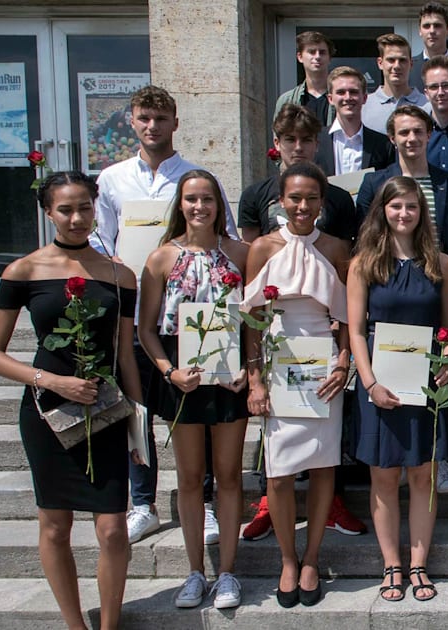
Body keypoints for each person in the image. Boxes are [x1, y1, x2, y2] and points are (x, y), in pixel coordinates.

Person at [0, 171, 142, 630]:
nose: (77, 218)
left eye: (85, 208)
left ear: (97, 208)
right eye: (66, 209)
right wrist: (53, 381)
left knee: (112, 529)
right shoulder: (23, 272)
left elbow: (124, 352)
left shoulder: (119, 274)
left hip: (106, 408)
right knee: (55, 525)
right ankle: (75, 625)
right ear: (48, 212)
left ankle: (109, 624)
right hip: (46, 411)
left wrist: (137, 422)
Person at [90, 85, 237, 545]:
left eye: (160, 118)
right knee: (138, 407)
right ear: (132, 121)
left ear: (175, 122)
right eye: (143, 118)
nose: (151, 126)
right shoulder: (112, 178)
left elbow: (226, 241)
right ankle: (143, 501)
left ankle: (206, 500)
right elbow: (99, 241)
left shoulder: (195, 177)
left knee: (194, 406)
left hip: (192, 314)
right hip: (135, 303)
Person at [242, 162, 353, 608]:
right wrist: (254, 379)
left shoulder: (337, 247)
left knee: (325, 464)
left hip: (322, 364)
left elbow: (347, 313)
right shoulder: (262, 248)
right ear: (280, 202)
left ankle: (311, 559)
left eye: (311, 198)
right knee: (281, 470)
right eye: (295, 198)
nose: (303, 206)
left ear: (322, 203)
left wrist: (344, 359)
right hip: (278, 361)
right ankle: (287, 559)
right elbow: (250, 320)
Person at [137, 170, 250, 609]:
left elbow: (257, 319)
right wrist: (168, 372)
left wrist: (249, 367)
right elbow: (145, 329)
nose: (199, 206)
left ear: (220, 204)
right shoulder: (161, 258)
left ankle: (227, 573)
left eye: (207, 198)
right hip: (183, 381)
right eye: (191, 199)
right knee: (187, 479)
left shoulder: (241, 252)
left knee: (228, 477)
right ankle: (194, 572)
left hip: (229, 380)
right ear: (179, 205)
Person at [346, 176, 448, 603]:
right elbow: (356, 332)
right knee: (383, 476)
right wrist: (370, 382)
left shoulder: (440, 263)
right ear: (382, 210)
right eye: (396, 206)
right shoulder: (363, 263)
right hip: (380, 381)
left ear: (421, 211)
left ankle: (419, 565)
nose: (403, 214)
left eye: (411, 206)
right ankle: (391, 565)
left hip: (426, 382)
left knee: (423, 473)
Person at [357, 105, 448, 266]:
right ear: (392, 138)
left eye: (418, 131)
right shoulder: (374, 183)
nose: (412, 138)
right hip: (389, 275)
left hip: (439, 274)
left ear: (428, 135)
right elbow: (365, 236)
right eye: (404, 132)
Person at [240, 105, 359, 244]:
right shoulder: (254, 195)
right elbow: (249, 253)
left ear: (316, 144)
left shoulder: (340, 198)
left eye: (306, 140)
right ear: (277, 143)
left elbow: (343, 256)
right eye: (290, 139)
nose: (298, 148)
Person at [316, 66, 397, 178]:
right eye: (341, 92)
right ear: (330, 99)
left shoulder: (384, 145)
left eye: (353, 92)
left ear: (364, 98)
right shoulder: (316, 141)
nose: (348, 97)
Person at [362, 34, 429, 135]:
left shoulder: (428, 105)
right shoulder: (364, 106)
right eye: (391, 60)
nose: (397, 66)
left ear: (411, 64)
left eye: (402, 60)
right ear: (380, 63)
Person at [274, 31, 335, 127]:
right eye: (312, 52)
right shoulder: (287, 100)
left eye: (322, 52)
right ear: (300, 57)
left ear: (329, 58)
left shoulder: (341, 97)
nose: (317, 57)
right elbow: (280, 136)